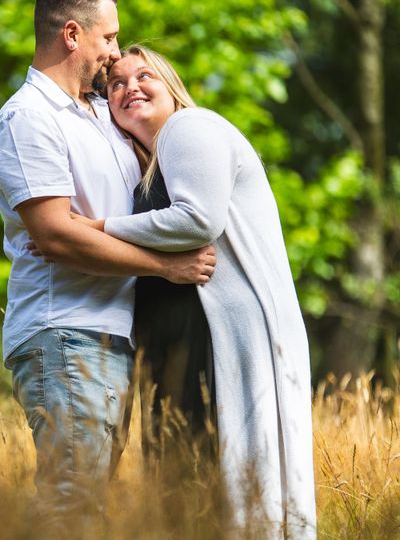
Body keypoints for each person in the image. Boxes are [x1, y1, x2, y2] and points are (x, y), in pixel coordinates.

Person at [0, 0, 217, 521]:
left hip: (111, 335)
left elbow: (99, 219)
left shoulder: (98, 115)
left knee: (86, 501)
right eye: (109, 38)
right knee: (72, 501)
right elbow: (55, 234)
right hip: (66, 331)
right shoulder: (28, 119)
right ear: (72, 35)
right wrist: (167, 267)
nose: (114, 52)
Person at [75, 44, 317, 537]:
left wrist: (92, 229)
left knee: (224, 480)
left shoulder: (189, 127)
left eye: (145, 77)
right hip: (186, 340)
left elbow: (196, 220)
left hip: (223, 334)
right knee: (187, 483)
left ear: (172, 87)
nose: (129, 88)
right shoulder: (153, 160)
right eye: (115, 84)